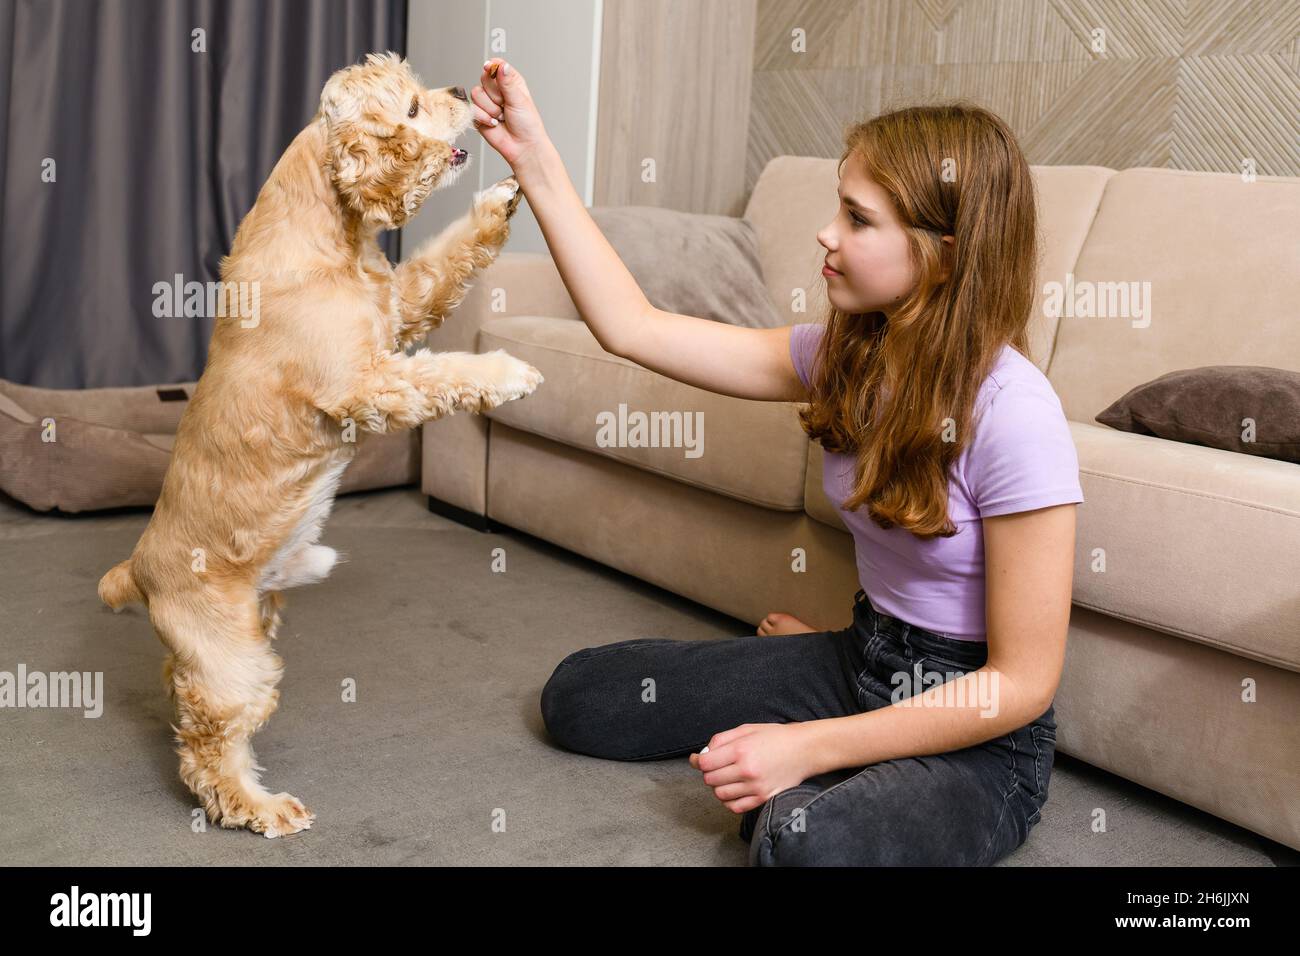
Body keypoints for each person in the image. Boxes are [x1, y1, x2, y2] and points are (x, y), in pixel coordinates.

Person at [469, 59, 1082, 866]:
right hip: (862, 657)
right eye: (840, 206)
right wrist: (537, 163)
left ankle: (844, 764)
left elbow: (1022, 685)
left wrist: (810, 747)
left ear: (942, 252)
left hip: (982, 738)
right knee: (583, 697)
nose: (827, 233)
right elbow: (636, 327)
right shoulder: (845, 358)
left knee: (802, 840)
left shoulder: (1016, 417)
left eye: (858, 220)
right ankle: (854, 749)